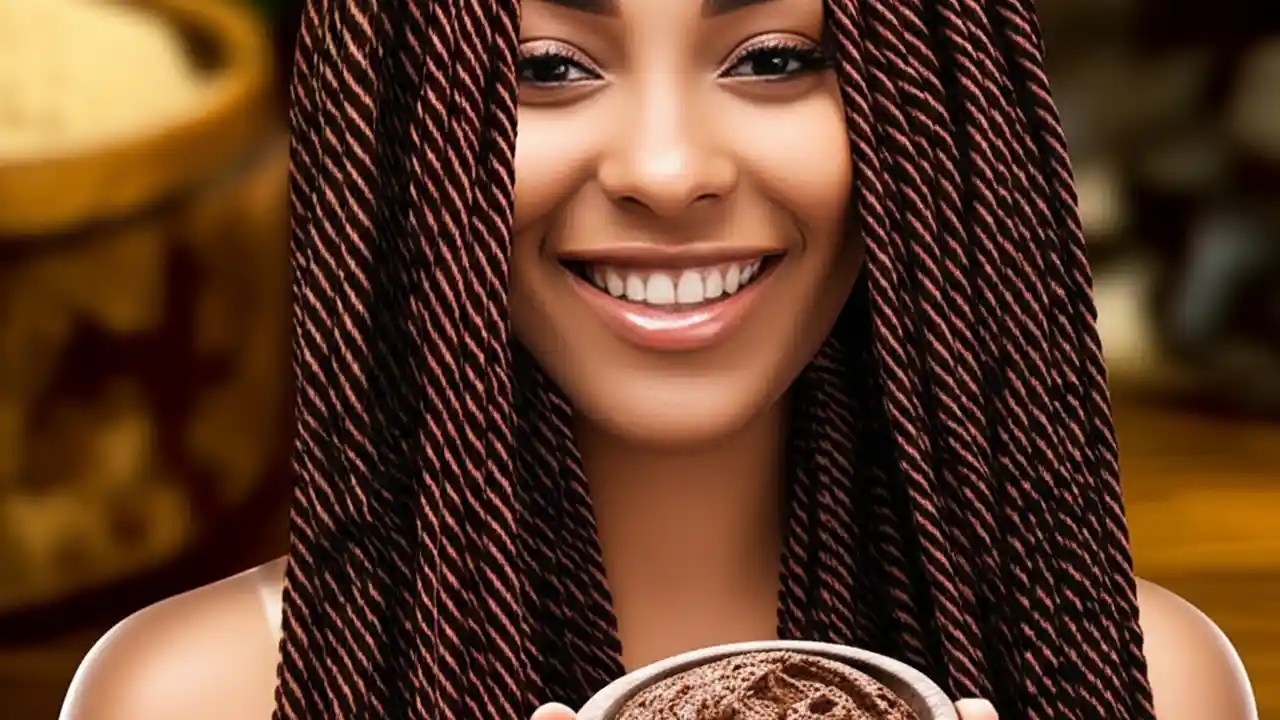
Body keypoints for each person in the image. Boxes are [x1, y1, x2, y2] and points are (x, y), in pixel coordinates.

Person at [60, 0, 1257, 718]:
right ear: (382, 120)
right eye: (545, 67)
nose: (668, 167)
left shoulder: (1148, 684)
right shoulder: (194, 697)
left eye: (775, 56)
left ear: (941, 110)